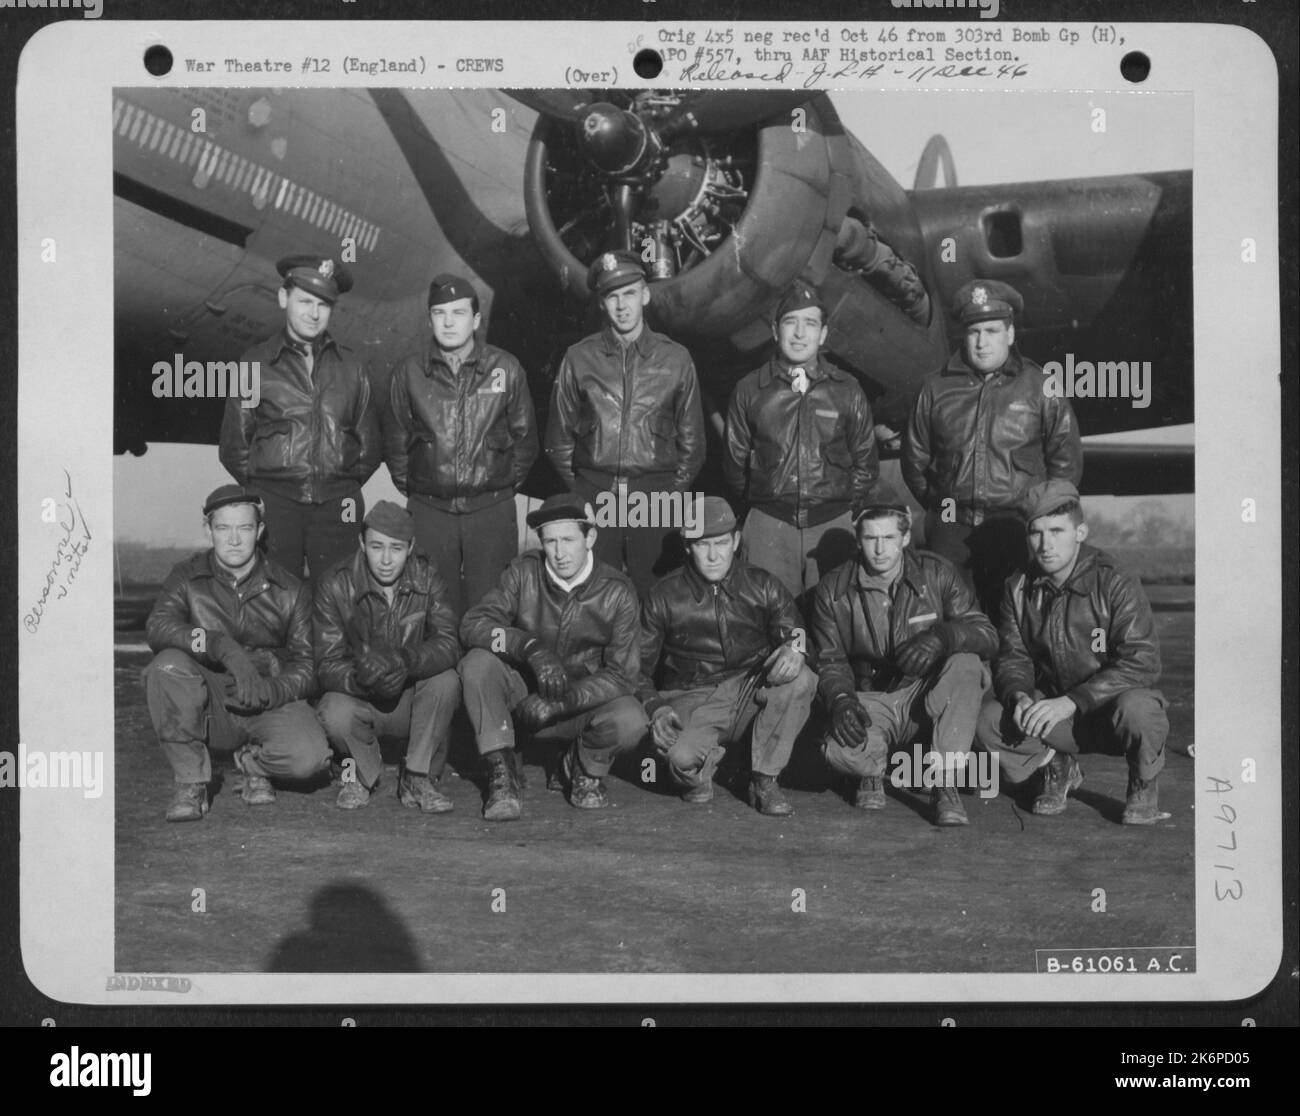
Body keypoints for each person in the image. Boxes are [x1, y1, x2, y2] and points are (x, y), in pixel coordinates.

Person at [975, 480, 1169, 824]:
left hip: (1111, 712)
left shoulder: (1115, 581)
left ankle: (1143, 781)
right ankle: (1054, 765)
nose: (1046, 544)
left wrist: (1073, 700)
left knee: (1141, 709)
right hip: (1056, 717)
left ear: (1080, 531)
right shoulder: (1018, 587)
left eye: (1057, 531)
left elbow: (1142, 661)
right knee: (989, 720)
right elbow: (1012, 657)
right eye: (1036, 533)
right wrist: (1018, 695)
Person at [810, 483, 997, 826]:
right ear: (858, 539)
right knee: (834, 750)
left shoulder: (937, 572)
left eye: (889, 538)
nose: (880, 550)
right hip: (873, 700)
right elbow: (830, 660)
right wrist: (840, 699)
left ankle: (945, 783)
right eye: (870, 539)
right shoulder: (833, 589)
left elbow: (986, 634)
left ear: (906, 538)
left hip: (925, 697)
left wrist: (943, 636)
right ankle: (879, 768)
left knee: (967, 664)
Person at [142, 485, 329, 821]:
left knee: (310, 759)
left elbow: (309, 665)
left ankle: (253, 763)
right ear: (207, 530)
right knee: (166, 666)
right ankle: (190, 781)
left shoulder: (291, 589)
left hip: (265, 697)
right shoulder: (187, 576)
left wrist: (272, 689)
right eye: (222, 528)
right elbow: (159, 627)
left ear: (259, 531)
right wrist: (216, 644)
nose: (233, 540)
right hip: (211, 695)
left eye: (244, 528)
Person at [458, 492, 647, 818]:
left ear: (590, 537)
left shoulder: (618, 590)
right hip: (524, 700)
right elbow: (474, 624)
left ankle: (582, 765)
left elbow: (622, 675)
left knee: (631, 719)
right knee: (477, 663)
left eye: (569, 539)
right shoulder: (522, 573)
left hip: (580, 705)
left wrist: (562, 701)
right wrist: (527, 647)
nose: (559, 553)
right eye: (550, 541)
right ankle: (502, 769)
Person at [902, 279, 1083, 614]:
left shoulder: (1042, 387)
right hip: (951, 529)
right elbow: (915, 458)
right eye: (974, 332)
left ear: (1010, 334)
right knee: (951, 627)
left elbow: (1065, 463)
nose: (982, 342)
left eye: (992, 331)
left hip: (1014, 527)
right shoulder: (934, 388)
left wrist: (1037, 514)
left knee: (1014, 627)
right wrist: (941, 504)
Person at [638, 497, 816, 816]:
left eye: (721, 542)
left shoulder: (762, 584)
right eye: (703, 544)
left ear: (735, 541)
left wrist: (795, 648)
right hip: (693, 696)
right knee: (679, 759)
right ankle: (710, 764)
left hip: (750, 689)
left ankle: (765, 779)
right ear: (688, 546)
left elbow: (798, 631)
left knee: (799, 678)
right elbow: (636, 669)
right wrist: (657, 707)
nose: (713, 554)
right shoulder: (663, 595)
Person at [545, 250, 705, 593]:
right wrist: (582, 491)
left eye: (630, 293)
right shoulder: (578, 357)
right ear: (602, 304)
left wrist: (667, 496)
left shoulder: (676, 359)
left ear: (645, 295)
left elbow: (693, 446)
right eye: (612, 297)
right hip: (596, 494)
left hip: (655, 496)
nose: (622, 305)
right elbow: (558, 441)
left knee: (658, 597)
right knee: (595, 597)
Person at [383, 273, 539, 618]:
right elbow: (395, 442)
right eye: (440, 314)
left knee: (493, 609)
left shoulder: (505, 368)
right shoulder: (408, 373)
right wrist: (421, 488)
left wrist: (497, 486)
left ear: (476, 320)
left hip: (491, 511)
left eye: (459, 313)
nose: (449, 322)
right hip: (429, 510)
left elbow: (525, 439)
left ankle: (487, 672)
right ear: (429, 320)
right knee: (432, 610)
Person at [219, 253, 382, 579]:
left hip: (338, 506)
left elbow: (370, 447)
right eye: (304, 301)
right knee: (274, 609)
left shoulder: (353, 367)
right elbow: (235, 446)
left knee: (338, 607)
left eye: (323, 305)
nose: (313, 313)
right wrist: (267, 491)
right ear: (284, 298)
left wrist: (337, 482)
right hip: (276, 504)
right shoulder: (254, 363)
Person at [723, 280, 878, 601]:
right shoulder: (750, 389)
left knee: (834, 622)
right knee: (770, 621)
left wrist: (839, 506)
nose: (799, 333)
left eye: (810, 324)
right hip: (770, 527)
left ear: (822, 334)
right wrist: (767, 504)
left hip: (833, 525)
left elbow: (866, 461)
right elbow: (734, 463)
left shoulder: (847, 389)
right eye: (790, 322)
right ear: (775, 330)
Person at [313, 502, 463, 812]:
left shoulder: (428, 578)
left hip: (410, 698)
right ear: (361, 544)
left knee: (446, 681)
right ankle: (361, 773)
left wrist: (405, 661)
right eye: (376, 546)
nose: (384, 559)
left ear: (410, 548)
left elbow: (449, 642)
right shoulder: (335, 583)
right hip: (362, 699)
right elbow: (325, 663)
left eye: (395, 548)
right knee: (332, 709)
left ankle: (417, 776)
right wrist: (360, 677)